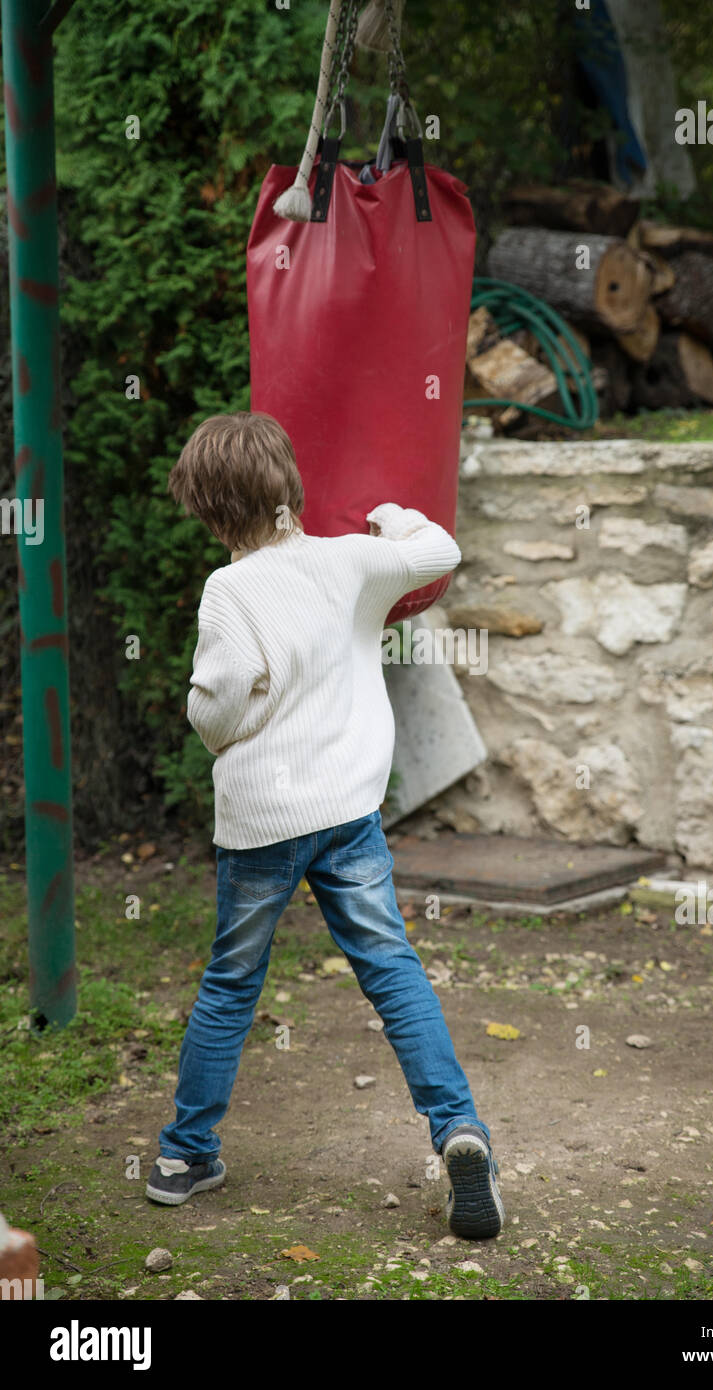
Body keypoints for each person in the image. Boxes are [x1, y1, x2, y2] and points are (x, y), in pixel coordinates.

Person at [146, 410, 504, 1241]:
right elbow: (438, 551)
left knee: (231, 984)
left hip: (263, 824)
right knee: (391, 968)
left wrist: (226, 715)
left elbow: (217, 709)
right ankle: (458, 1129)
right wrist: (390, 518)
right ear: (290, 488)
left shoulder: (228, 591)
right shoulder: (351, 563)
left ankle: (183, 1154)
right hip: (349, 815)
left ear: (209, 511)